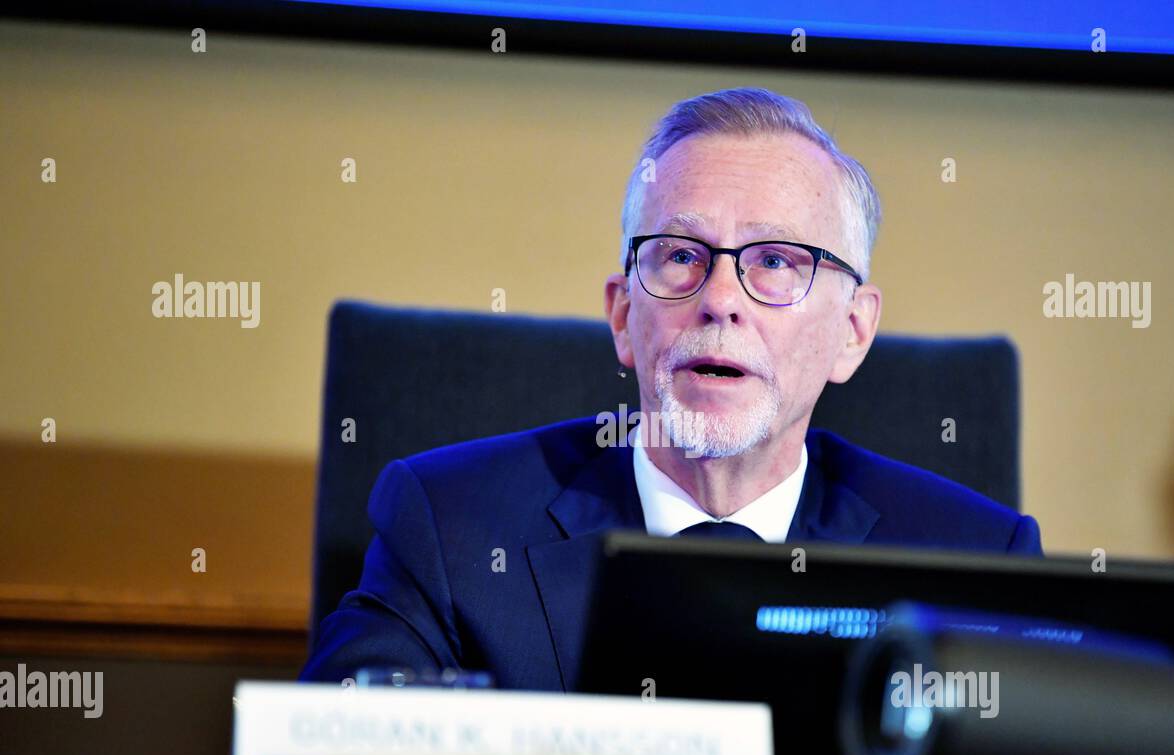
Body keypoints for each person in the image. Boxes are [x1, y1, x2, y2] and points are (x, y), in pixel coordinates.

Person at [300, 87, 1042, 690]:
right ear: (624, 315)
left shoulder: (974, 557)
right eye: (682, 255)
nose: (721, 297)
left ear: (852, 331)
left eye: (777, 262)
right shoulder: (450, 526)